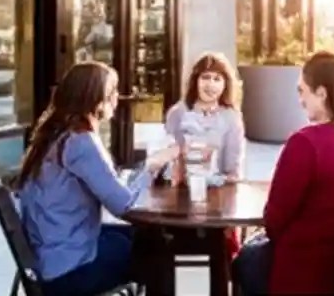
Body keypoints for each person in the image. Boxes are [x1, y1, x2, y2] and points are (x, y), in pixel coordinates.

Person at [232, 51, 334, 295]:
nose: (300, 100)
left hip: (305, 278)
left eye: (302, 91)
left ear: (322, 93)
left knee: (245, 259)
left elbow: (274, 222)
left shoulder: (306, 144)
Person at [17, 61, 181, 296]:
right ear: (93, 99)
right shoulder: (79, 142)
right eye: (111, 92)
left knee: (145, 237)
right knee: (160, 249)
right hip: (69, 272)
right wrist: (151, 166)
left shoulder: (54, 135)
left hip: (50, 259)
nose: (117, 98)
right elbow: (123, 205)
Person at [165, 51, 245, 181]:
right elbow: (168, 162)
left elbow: (233, 171)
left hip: (219, 187)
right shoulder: (177, 113)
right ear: (195, 80)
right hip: (182, 186)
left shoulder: (231, 118)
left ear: (225, 84)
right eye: (205, 77)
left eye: (217, 79)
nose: (210, 85)